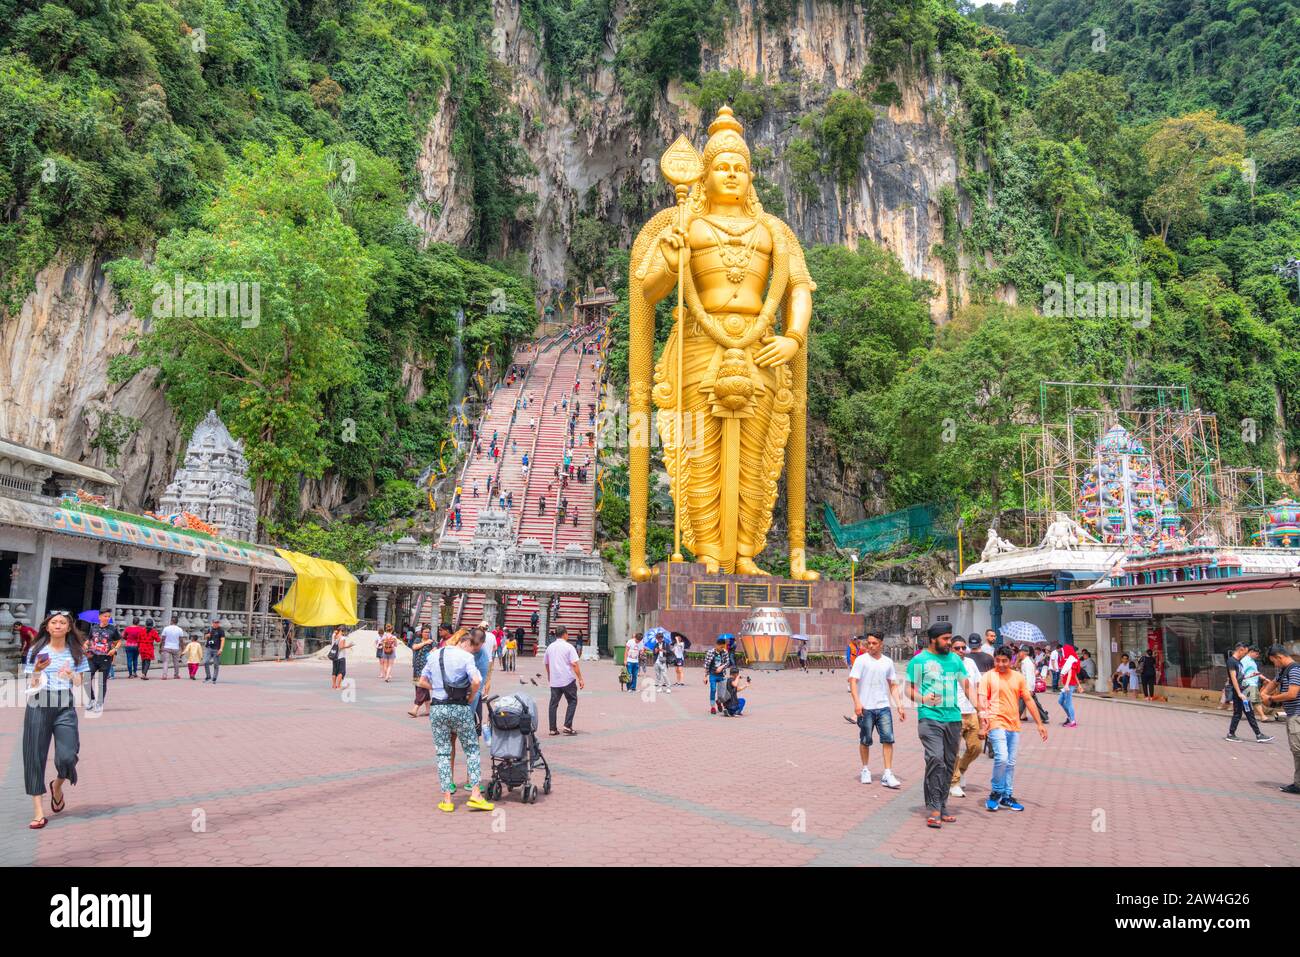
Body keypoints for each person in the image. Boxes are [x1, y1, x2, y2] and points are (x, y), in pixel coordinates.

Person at [905, 623, 979, 829]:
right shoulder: (920, 660)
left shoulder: (955, 660)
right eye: (946, 639)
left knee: (947, 763)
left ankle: (943, 804)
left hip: (953, 718)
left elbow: (966, 686)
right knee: (935, 758)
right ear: (933, 640)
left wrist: (981, 709)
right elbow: (908, 690)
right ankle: (934, 807)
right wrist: (923, 698)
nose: (949, 643)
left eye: (950, 638)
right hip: (929, 717)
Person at [21, 611, 90, 829]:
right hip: (38, 704)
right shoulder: (36, 650)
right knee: (34, 755)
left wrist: (71, 674)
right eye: (54, 622)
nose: (58, 625)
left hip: (64, 706)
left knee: (68, 755)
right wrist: (37, 672)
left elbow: (80, 682)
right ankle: (38, 812)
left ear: (69, 627)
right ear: (47, 627)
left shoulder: (76, 651)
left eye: (62, 622)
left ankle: (57, 785)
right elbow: (31, 685)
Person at [418, 628, 493, 813]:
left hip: (437, 708)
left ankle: (447, 799)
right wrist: (471, 696)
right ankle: (475, 794)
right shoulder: (466, 657)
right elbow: (476, 681)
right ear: (465, 643)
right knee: (472, 750)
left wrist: (437, 688)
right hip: (460, 708)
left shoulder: (434, 655)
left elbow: (421, 681)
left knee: (443, 752)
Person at [978, 644, 1048, 812]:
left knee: (1010, 762)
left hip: (1014, 724)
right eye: (997, 660)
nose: (1001, 664)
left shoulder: (1018, 677)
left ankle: (1007, 796)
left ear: (1011, 661)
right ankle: (996, 792)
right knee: (1001, 757)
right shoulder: (988, 677)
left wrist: (1039, 724)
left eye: (1005, 661)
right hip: (995, 722)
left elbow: (1029, 700)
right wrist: (983, 724)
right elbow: (981, 702)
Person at [848, 632, 904, 788]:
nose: (870, 646)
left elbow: (892, 684)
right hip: (866, 707)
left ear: (881, 644)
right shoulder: (861, 660)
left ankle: (887, 773)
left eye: (874, 643)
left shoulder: (887, 662)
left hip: (883, 707)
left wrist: (899, 705)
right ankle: (865, 769)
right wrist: (857, 703)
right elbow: (853, 682)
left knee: (888, 739)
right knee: (865, 740)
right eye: (869, 643)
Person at [948, 635, 986, 799]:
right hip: (954, 713)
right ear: (951, 649)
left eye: (964, 648)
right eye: (957, 648)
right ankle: (954, 782)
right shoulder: (946, 664)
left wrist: (981, 710)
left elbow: (978, 686)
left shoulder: (970, 664)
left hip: (971, 712)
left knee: (976, 748)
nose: (962, 651)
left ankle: (961, 770)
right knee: (954, 750)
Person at [1260, 645, 1300, 794]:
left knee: (1298, 750)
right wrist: (1264, 694)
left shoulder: (1295, 670)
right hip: (1292, 715)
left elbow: (1292, 694)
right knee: (1296, 751)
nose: (1274, 665)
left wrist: (1271, 698)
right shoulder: (1285, 671)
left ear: (1279, 657)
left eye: (1273, 662)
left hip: (1297, 715)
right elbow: (1273, 684)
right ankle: (1298, 784)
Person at [1224, 641, 1272, 743]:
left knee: (1249, 712)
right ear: (1240, 650)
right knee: (1238, 713)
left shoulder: (1239, 662)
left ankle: (1258, 734)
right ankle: (1231, 734)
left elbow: (1240, 677)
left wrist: (1250, 676)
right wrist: (1239, 693)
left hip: (1243, 690)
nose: (1245, 655)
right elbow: (1233, 679)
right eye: (1245, 652)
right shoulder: (1231, 661)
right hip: (1239, 692)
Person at [544, 626, 584, 735]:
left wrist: (549, 675)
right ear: (565, 634)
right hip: (567, 679)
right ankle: (567, 725)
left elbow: (546, 663)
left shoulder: (550, 647)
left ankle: (552, 728)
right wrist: (580, 678)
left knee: (553, 704)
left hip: (555, 680)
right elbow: (574, 664)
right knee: (572, 701)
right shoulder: (569, 647)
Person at [85, 610, 121, 713]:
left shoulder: (112, 629)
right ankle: (92, 700)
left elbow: (118, 641)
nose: (107, 618)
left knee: (101, 682)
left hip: (105, 658)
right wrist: (84, 644)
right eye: (105, 616)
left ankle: (99, 703)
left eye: (109, 616)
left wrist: (114, 649)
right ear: (99, 617)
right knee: (87, 679)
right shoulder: (94, 628)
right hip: (92, 657)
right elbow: (89, 639)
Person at [408, 625, 436, 718]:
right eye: (425, 632)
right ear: (421, 632)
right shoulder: (417, 640)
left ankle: (415, 708)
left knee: (421, 688)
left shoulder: (432, 642)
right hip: (416, 668)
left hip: (426, 670)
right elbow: (414, 647)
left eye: (428, 632)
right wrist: (424, 643)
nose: (427, 634)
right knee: (419, 687)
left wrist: (430, 647)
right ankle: (428, 710)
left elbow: (435, 651)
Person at [1016, 644, 1049, 723]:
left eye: (1020, 652)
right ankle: (1044, 716)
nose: (1019, 654)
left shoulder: (1027, 663)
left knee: (1021, 703)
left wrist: (1030, 689)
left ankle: (1016, 718)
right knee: (1035, 703)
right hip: (1027, 687)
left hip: (1027, 687)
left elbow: (1030, 677)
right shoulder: (1025, 662)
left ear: (1025, 653)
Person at [703, 637, 731, 714]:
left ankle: (719, 702)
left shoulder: (724, 652)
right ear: (716, 645)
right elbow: (707, 665)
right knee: (713, 689)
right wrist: (705, 676)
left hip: (722, 675)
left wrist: (722, 667)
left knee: (722, 692)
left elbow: (727, 662)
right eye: (721, 647)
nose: (722, 648)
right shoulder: (710, 652)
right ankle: (712, 707)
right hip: (713, 674)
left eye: (723, 647)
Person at [1057, 643, 1080, 728]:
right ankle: (1070, 717)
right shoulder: (1068, 659)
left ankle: (1073, 721)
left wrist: (1066, 685)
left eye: (1063, 650)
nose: (1062, 652)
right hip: (1067, 685)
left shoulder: (1071, 660)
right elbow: (1074, 675)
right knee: (1060, 701)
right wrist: (1079, 685)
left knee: (1069, 703)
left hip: (1069, 685)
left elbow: (1070, 674)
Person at [1240, 647, 1265, 721]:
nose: (1257, 656)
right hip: (1248, 683)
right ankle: (1262, 716)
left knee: (1246, 700)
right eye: (1256, 654)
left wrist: (1265, 678)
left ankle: (1245, 714)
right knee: (1255, 700)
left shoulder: (1252, 661)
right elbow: (1241, 672)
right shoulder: (1245, 660)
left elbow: (1256, 672)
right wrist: (1247, 677)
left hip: (1250, 682)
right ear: (1251, 652)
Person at [203, 618, 226, 684]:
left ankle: (214, 678)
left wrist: (221, 649)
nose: (216, 624)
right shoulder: (209, 629)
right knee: (206, 662)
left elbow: (223, 640)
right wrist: (207, 635)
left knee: (216, 664)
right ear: (212, 623)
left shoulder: (221, 630)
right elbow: (205, 637)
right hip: (209, 648)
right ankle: (208, 676)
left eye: (217, 623)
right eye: (215, 622)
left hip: (216, 649)